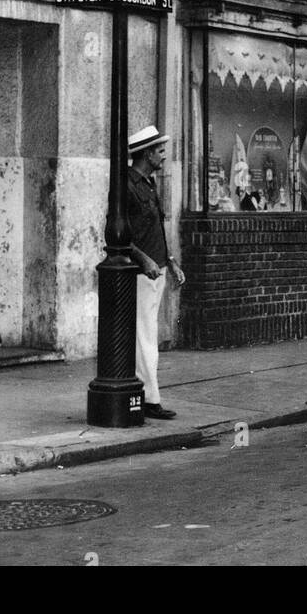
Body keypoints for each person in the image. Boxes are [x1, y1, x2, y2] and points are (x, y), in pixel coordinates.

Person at [126, 125, 185, 421]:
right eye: (159, 150)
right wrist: (145, 260)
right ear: (147, 153)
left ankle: (149, 394)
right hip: (142, 273)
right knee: (144, 336)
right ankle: (149, 397)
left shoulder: (147, 184)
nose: (163, 155)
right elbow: (119, 235)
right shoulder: (127, 186)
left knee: (148, 334)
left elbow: (155, 227)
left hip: (156, 270)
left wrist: (170, 260)